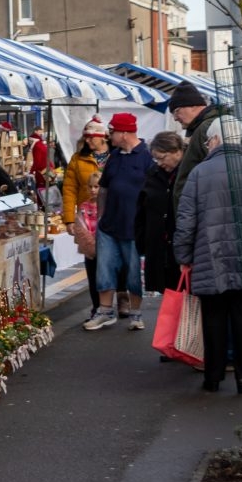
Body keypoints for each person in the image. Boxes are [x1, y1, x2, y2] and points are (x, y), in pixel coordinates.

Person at [172, 118, 242, 394]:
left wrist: (183, 255)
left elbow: (186, 219)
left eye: (207, 142)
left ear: (215, 139)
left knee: (213, 316)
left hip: (209, 255)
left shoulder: (199, 173)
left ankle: (212, 378)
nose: (207, 146)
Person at [84, 112, 151, 332]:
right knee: (103, 269)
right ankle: (104, 311)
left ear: (123, 133)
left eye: (112, 132)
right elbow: (103, 187)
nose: (109, 136)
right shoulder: (114, 156)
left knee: (133, 272)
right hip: (109, 225)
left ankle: (136, 313)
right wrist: (101, 217)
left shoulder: (146, 156)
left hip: (134, 226)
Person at [62, 116, 127, 318]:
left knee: (118, 258)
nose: (88, 141)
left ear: (103, 138)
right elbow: (69, 188)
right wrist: (69, 219)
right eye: (86, 137)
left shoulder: (117, 156)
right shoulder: (78, 158)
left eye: (92, 137)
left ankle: (122, 294)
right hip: (88, 215)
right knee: (92, 260)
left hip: (113, 214)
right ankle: (97, 305)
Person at [135, 131, 184, 296]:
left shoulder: (188, 173)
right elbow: (141, 210)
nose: (160, 163)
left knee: (184, 295)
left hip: (181, 248)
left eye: (162, 157)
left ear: (178, 151)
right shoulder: (153, 174)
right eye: (156, 159)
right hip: (158, 248)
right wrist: (142, 241)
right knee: (168, 295)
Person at [167, 81, 226, 210]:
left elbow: (217, 175)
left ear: (193, 106)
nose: (175, 118)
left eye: (177, 111)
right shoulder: (200, 128)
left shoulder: (207, 128)